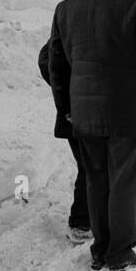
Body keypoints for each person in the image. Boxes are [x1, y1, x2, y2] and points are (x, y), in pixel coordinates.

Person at [48, 0, 136, 271]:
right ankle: (121, 253)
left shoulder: (67, 8)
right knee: (127, 180)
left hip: (84, 115)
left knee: (97, 180)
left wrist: (67, 110)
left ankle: (100, 250)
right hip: (128, 112)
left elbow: (55, 65)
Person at [37, 40, 91, 243]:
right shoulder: (72, 19)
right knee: (93, 167)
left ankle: (88, 221)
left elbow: (46, 58)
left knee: (92, 167)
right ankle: (83, 223)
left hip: (80, 111)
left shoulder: (72, 17)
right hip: (80, 113)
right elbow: (46, 58)